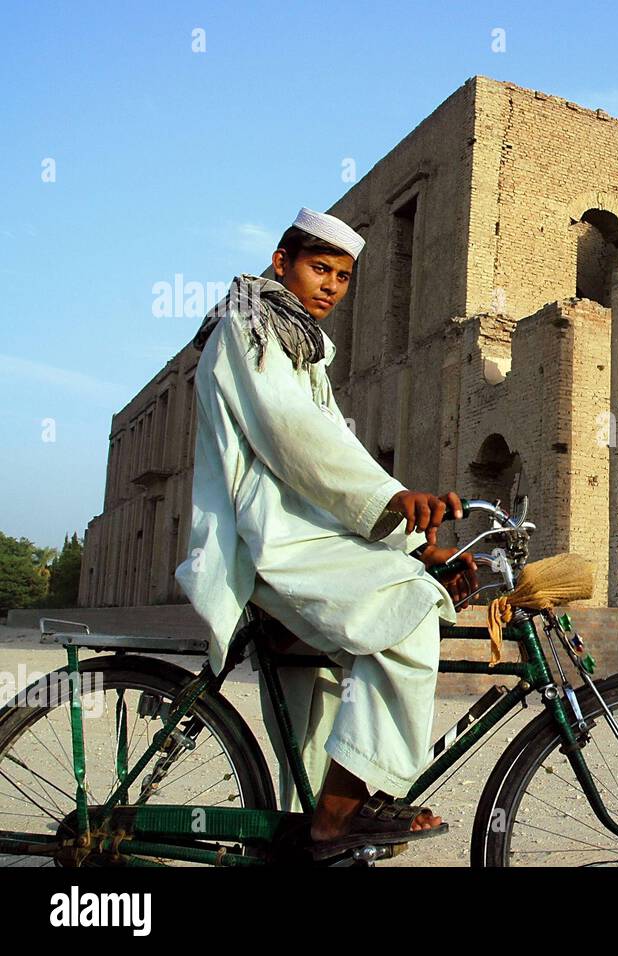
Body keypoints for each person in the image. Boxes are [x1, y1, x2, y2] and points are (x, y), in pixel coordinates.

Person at [175, 207, 478, 855]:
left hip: (305, 543)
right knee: (407, 613)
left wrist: (416, 541)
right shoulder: (248, 328)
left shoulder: (298, 347)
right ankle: (343, 813)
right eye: (320, 268)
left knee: (326, 701)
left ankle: (320, 827)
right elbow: (295, 438)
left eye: (343, 276)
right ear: (281, 262)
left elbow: (335, 445)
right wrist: (392, 499)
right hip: (267, 540)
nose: (332, 287)